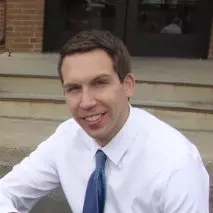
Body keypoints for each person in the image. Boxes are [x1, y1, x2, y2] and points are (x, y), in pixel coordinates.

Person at [0, 30, 209, 213]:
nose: (86, 102)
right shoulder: (68, 137)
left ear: (128, 85)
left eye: (100, 83)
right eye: (74, 88)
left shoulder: (176, 165)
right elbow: (5, 193)